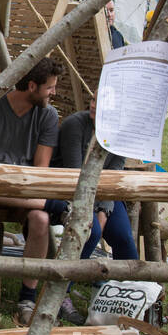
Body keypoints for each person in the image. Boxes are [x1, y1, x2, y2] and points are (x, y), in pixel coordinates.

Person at [0, 57, 69, 323]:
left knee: (42, 219)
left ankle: (27, 297)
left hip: (26, 190)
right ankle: (53, 207)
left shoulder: (48, 116)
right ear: (32, 86)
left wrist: (26, 190)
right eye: (50, 88)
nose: (53, 93)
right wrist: (25, 190)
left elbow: (40, 172)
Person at [54, 96, 139, 262]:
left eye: (102, 103)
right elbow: (76, 174)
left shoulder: (123, 134)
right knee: (91, 232)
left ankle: (133, 284)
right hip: (69, 191)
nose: (93, 105)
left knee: (122, 236)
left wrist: (104, 211)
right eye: (93, 99)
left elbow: (114, 174)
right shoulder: (75, 125)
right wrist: (94, 212)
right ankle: (65, 282)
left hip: (104, 192)